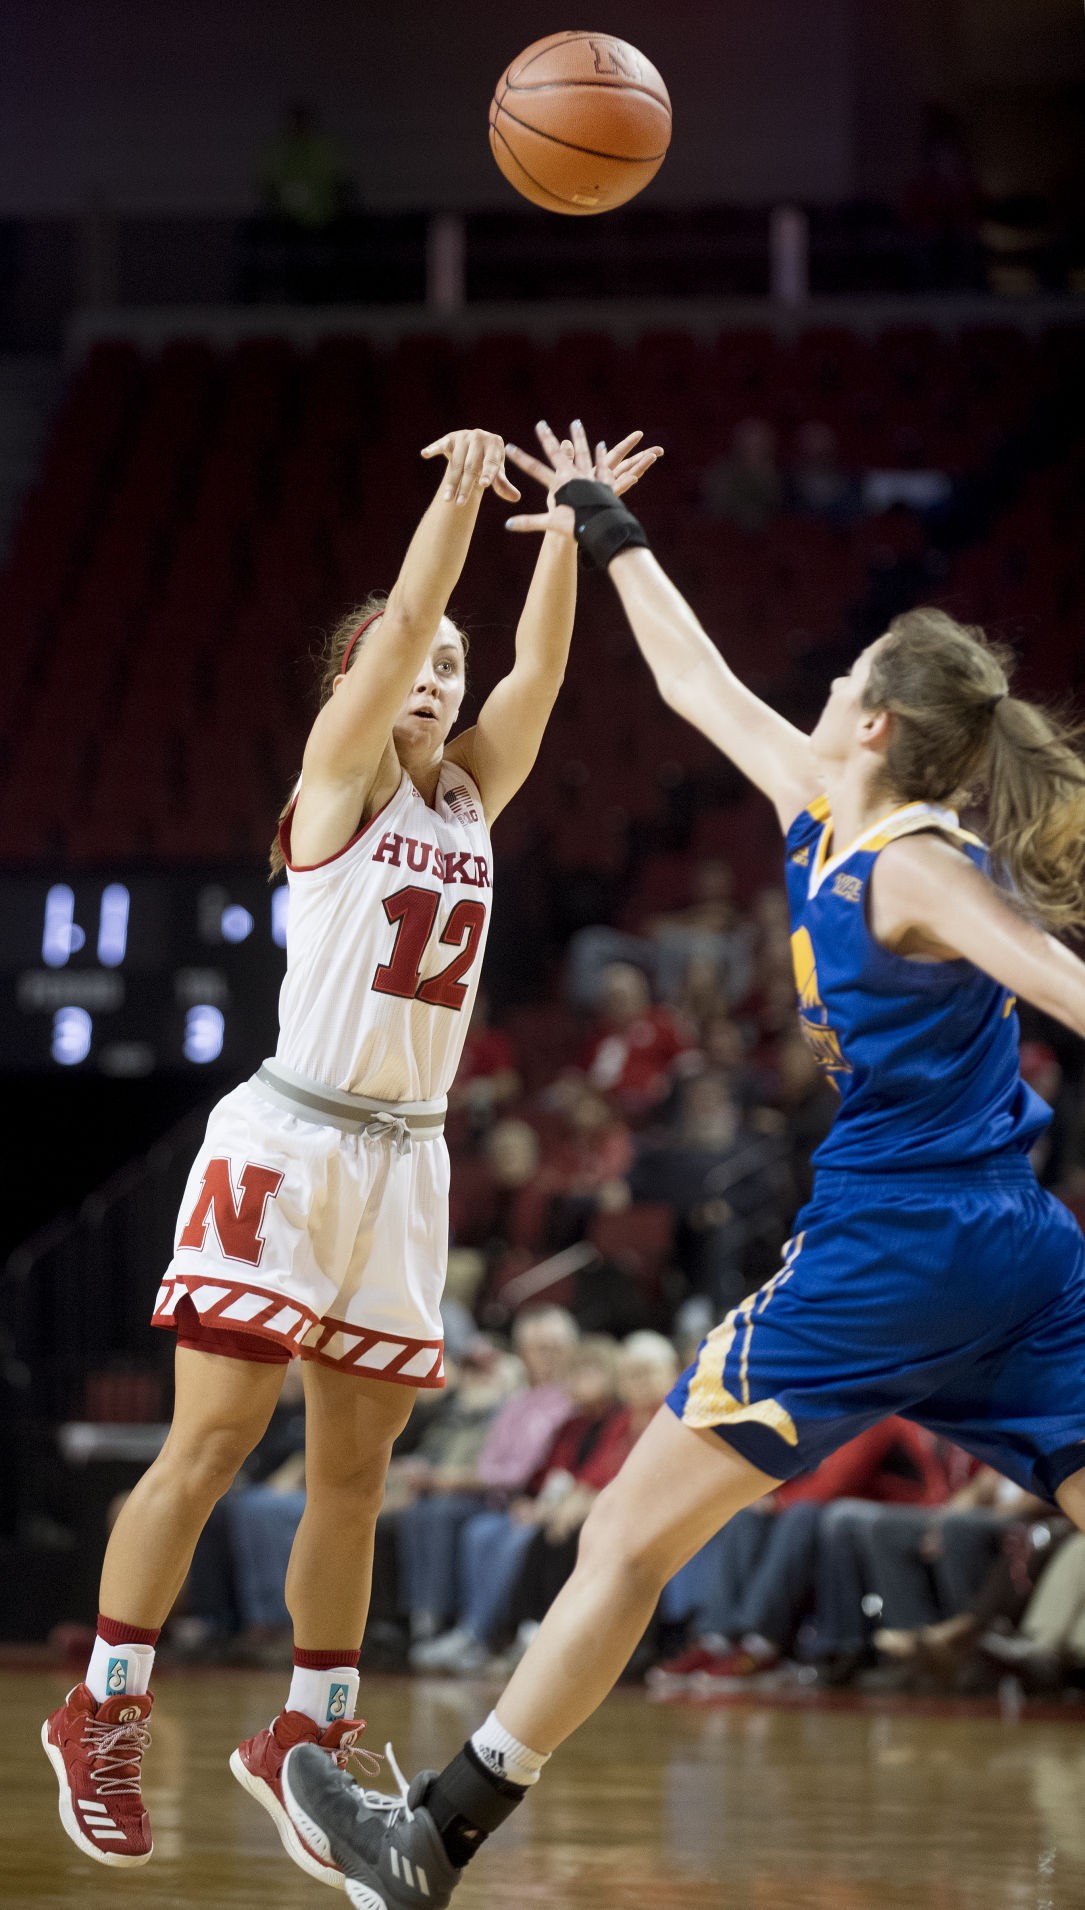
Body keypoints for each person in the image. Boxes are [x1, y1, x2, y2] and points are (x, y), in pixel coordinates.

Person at [279, 416, 1085, 1910]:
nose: (821, 691)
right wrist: (604, 526)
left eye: (843, 683)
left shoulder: (914, 859)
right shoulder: (821, 800)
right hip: (1019, 1256)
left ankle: (429, 1839)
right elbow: (691, 678)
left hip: (889, 1248)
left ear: (875, 728)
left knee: (625, 1539)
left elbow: (1060, 984)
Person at [40, 419, 662, 1881]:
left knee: (356, 1474)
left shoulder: (470, 795)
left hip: (404, 1162)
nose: (437, 677)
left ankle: (304, 1734)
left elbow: (539, 673)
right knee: (213, 1440)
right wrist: (456, 497)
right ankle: (103, 1704)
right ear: (358, 680)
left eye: (451, 665)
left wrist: (568, 535)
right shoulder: (335, 782)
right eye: (413, 661)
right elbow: (405, 628)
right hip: (291, 1141)